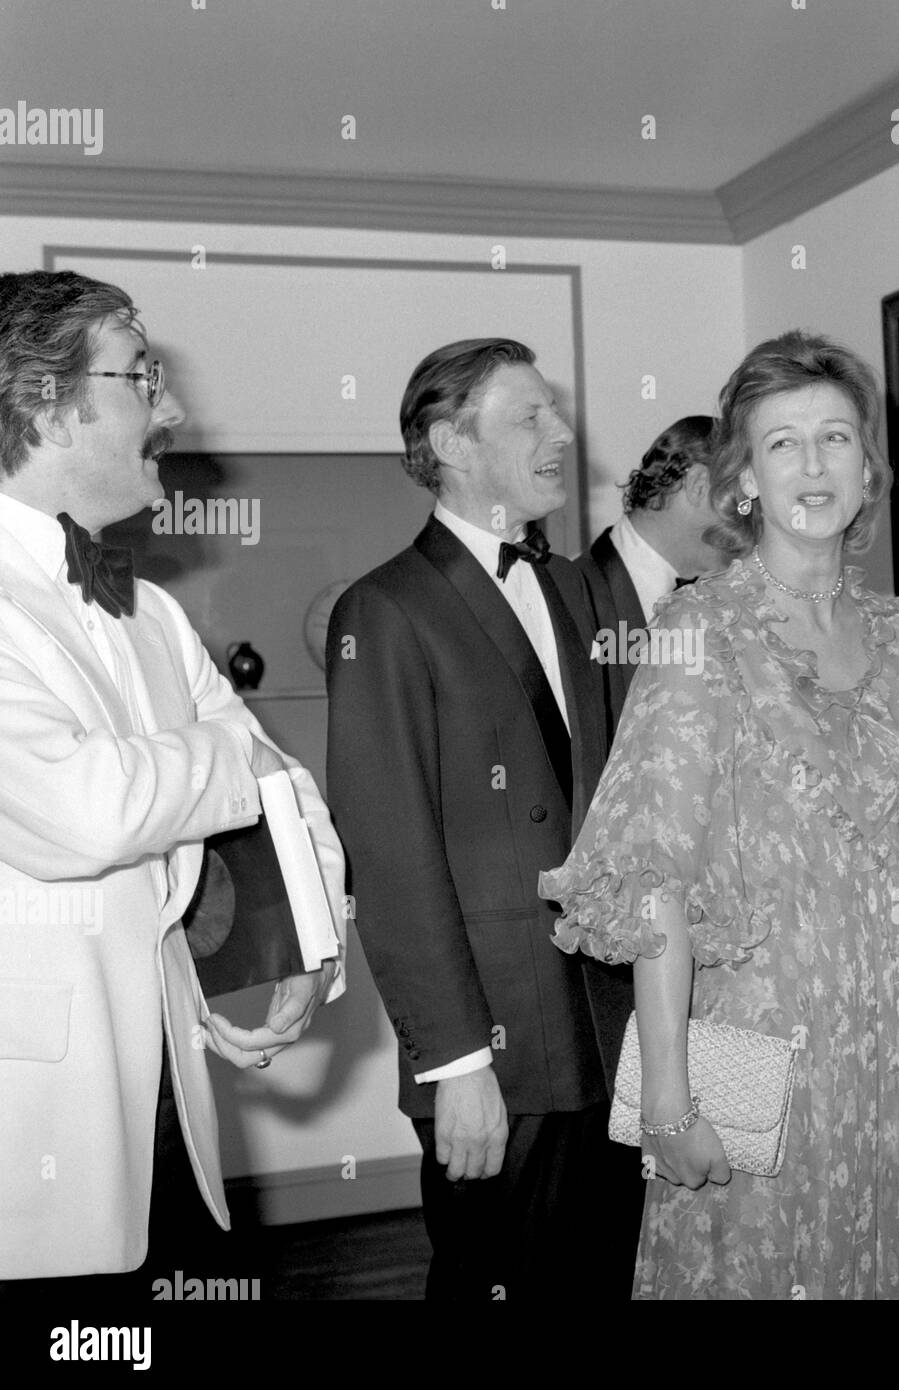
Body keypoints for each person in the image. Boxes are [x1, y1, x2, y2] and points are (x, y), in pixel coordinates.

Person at [541, 330, 899, 1299]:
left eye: (834, 439)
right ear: (744, 480)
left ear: (867, 470)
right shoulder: (699, 634)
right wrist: (666, 1098)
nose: (813, 465)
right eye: (783, 444)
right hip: (757, 1054)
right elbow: (655, 883)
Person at [0, 270, 344, 1290]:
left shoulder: (150, 611)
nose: (176, 409)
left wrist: (304, 945)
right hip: (31, 1133)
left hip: (171, 1107)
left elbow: (286, 795)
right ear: (46, 405)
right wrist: (233, 755)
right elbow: (84, 812)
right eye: (143, 378)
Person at [325, 338, 639, 1302]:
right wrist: (456, 1063)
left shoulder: (575, 588)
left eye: (556, 411)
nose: (563, 432)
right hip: (498, 1045)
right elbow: (391, 860)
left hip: (609, 1026)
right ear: (451, 443)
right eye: (530, 416)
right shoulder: (383, 610)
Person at [577, 416, 728, 724]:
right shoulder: (574, 598)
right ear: (699, 485)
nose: (752, 526)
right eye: (742, 504)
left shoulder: (720, 601)